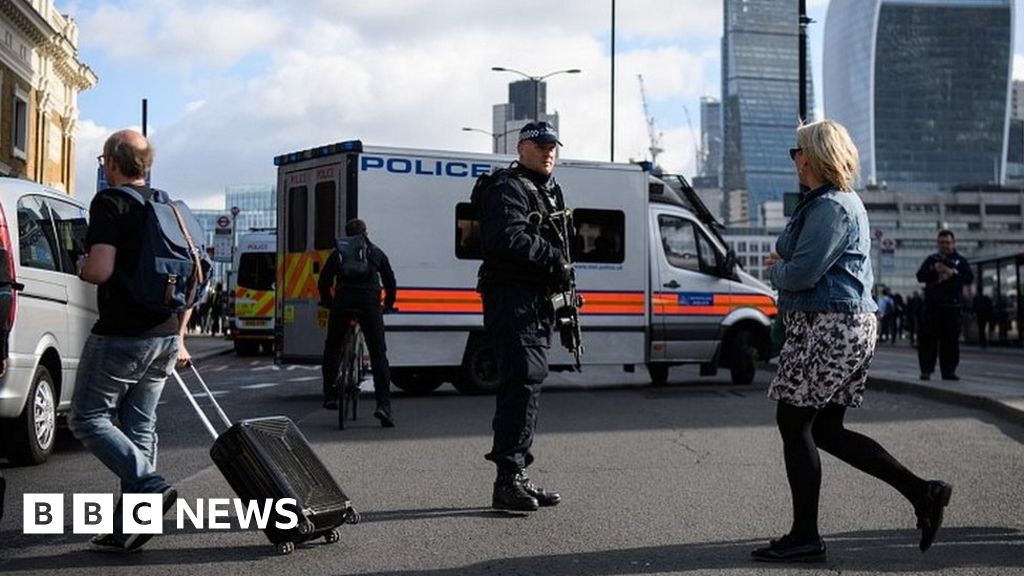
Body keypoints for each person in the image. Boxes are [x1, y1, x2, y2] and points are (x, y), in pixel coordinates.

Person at [755, 119, 951, 563]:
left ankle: (805, 534)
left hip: (832, 325)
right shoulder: (820, 202)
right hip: (837, 325)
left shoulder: (833, 208)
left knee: (794, 422)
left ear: (815, 155)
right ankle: (924, 493)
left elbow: (800, 270)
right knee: (823, 428)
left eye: (797, 151)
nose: (793, 159)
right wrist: (788, 253)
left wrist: (776, 272)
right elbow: (790, 244)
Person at [69, 129, 191, 552]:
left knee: (86, 418)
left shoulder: (110, 202)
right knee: (140, 427)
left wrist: (83, 264)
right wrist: (180, 335)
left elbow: (101, 271)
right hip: (164, 336)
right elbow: (193, 273)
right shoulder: (167, 205)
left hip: (123, 334)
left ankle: (149, 485)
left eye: (103, 160)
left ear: (113, 164)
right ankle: (131, 526)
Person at [474, 121, 569, 512]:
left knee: (528, 384)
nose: (549, 152)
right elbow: (508, 238)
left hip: (534, 301)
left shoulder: (546, 190)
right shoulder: (507, 187)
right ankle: (507, 480)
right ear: (520, 148)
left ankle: (518, 475)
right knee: (522, 385)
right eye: (540, 145)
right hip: (512, 299)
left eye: (553, 146)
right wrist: (553, 259)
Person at [318, 218, 397, 427]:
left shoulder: (339, 254)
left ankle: (330, 395)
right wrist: (388, 304)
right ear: (365, 233)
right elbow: (390, 281)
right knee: (379, 354)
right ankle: (384, 407)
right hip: (370, 304)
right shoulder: (376, 253)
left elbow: (323, 281)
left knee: (332, 347)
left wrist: (328, 302)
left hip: (343, 303)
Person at [916, 230, 973, 381]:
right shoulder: (932, 259)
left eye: (947, 243)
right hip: (932, 306)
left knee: (951, 342)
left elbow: (968, 278)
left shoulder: (961, 261)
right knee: (928, 341)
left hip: (952, 307)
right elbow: (920, 276)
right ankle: (926, 370)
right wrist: (933, 270)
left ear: (953, 243)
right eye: (941, 243)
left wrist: (952, 273)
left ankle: (949, 372)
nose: (944, 246)